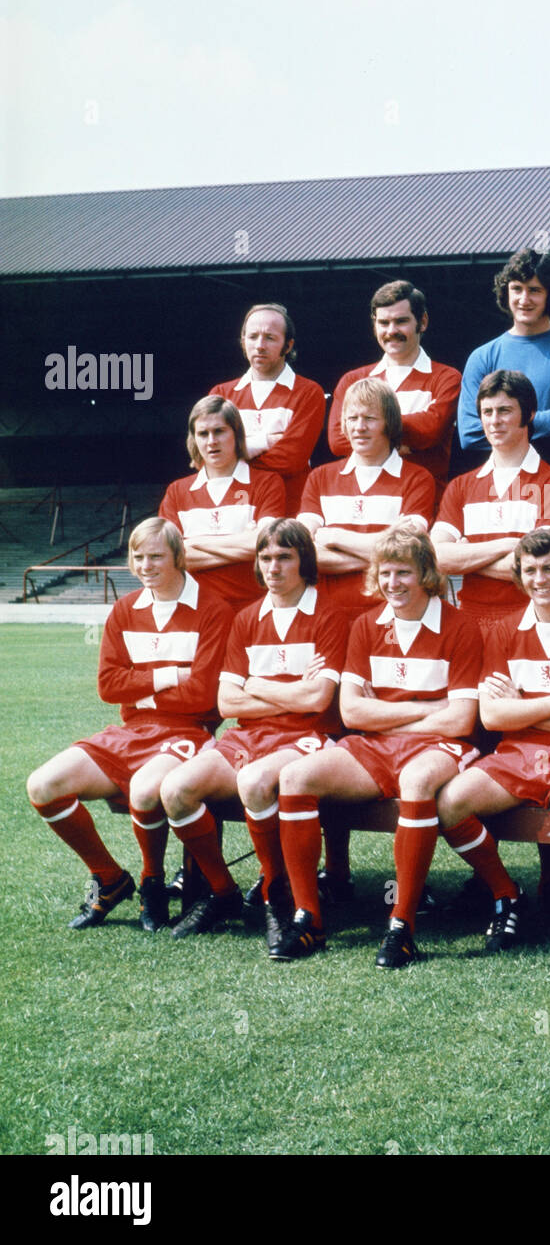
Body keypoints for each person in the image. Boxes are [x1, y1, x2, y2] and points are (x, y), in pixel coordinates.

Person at [274, 523, 482, 964]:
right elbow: (352, 714)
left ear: (426, 573)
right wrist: (428, 710)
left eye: (403, 572)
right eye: (385, 573)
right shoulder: (367, 625)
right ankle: (307, 917)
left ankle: (401, 924)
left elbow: (462, 720)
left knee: (417, 781)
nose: (393, 583)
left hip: (439, 748)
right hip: (377, 745)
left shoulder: (461, 625)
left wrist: (389, 714)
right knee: (294, 776)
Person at [26, 518, 232, 932]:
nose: (146, 565)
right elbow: (108, 686)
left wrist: (139, 686)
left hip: (188, 731)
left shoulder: (214, 609)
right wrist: (172, 674)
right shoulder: (125, 609)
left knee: (144, 788)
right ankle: (109, 878)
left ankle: (151, 883)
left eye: (156, 556)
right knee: (43, 785)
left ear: (179, 557)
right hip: (131, 730)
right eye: (138, 557)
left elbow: (204, 697)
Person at [159, 519, 348, 949]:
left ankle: (275, 894)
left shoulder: (331, 615)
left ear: (305, 562)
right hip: (247, 736)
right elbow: (228, 703)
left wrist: (258, 685)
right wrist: (291, 690)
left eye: (285, 557)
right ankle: (223, 892)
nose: (273, 567)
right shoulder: (246, 618)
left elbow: (318, 702)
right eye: (265, 558)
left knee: (255, 782)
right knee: (175, 790)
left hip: (308, 736)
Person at [436, 527, 550, 959]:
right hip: (516, 754)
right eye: (530, 570)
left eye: (549, 569)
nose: (540, 579)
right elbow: (493, 716)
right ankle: (506, 895)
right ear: (520, 575)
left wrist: (527, 706)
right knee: (450, 803)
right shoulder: (502, 630)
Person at [433, 370, 550, 626]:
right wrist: (511, 543)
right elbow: (436, 557)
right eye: (487, 412)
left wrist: (465, 560)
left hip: (531, 623)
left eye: (505, 410)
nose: (494, 421)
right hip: (471, 623)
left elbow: (540, 569)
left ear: (529, 414)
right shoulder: (460, 486)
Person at [298, 377, 434, 615]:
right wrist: (385, 553)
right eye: (352, 418)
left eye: (369, 418)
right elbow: (302, 554)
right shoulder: (319, 477)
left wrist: (334, 536)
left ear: (389, 423)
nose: (359, 427)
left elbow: (407, 554)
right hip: (326, 613)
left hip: (392, 613)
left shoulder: (418, 479)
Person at [327, 280, 461, 510]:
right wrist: (407, 441)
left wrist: (370, 435)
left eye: (401, 321)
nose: (391, 331)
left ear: (423, 322)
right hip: (360, 503)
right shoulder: (353, 380)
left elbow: (431, 430)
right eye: (383, 323)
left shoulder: (446, 377)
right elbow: (338, 441)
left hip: (424, 502)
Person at [457, 248, 550, 474]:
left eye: (534, 290)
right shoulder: (482, 357)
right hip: (499, 479)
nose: (524, 299)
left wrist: (500, 427)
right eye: (516, 289)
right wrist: (549, 418)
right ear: (506, 292)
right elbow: (470, 433)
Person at [159, 395, 285, 612]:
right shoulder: (177, 491)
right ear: (194, 439)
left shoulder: (268, 483)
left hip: (252, 609)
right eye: (203, 434)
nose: (211, 441)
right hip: (193, 610)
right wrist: (244, 541)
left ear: (236, 435)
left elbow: (266, 547)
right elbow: (168, 558)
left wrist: (192, 544)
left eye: (219, 431)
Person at [209, 302, 326, 515]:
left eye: (270, 337)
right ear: (243, 342)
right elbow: (206, 456)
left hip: (290, 509)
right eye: (252, 337)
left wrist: (231, 455)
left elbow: (290, 460)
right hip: (232, 509)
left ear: (288, 346)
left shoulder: (309, 392)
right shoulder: (221, 394)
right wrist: (263, 442)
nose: (260, 345)